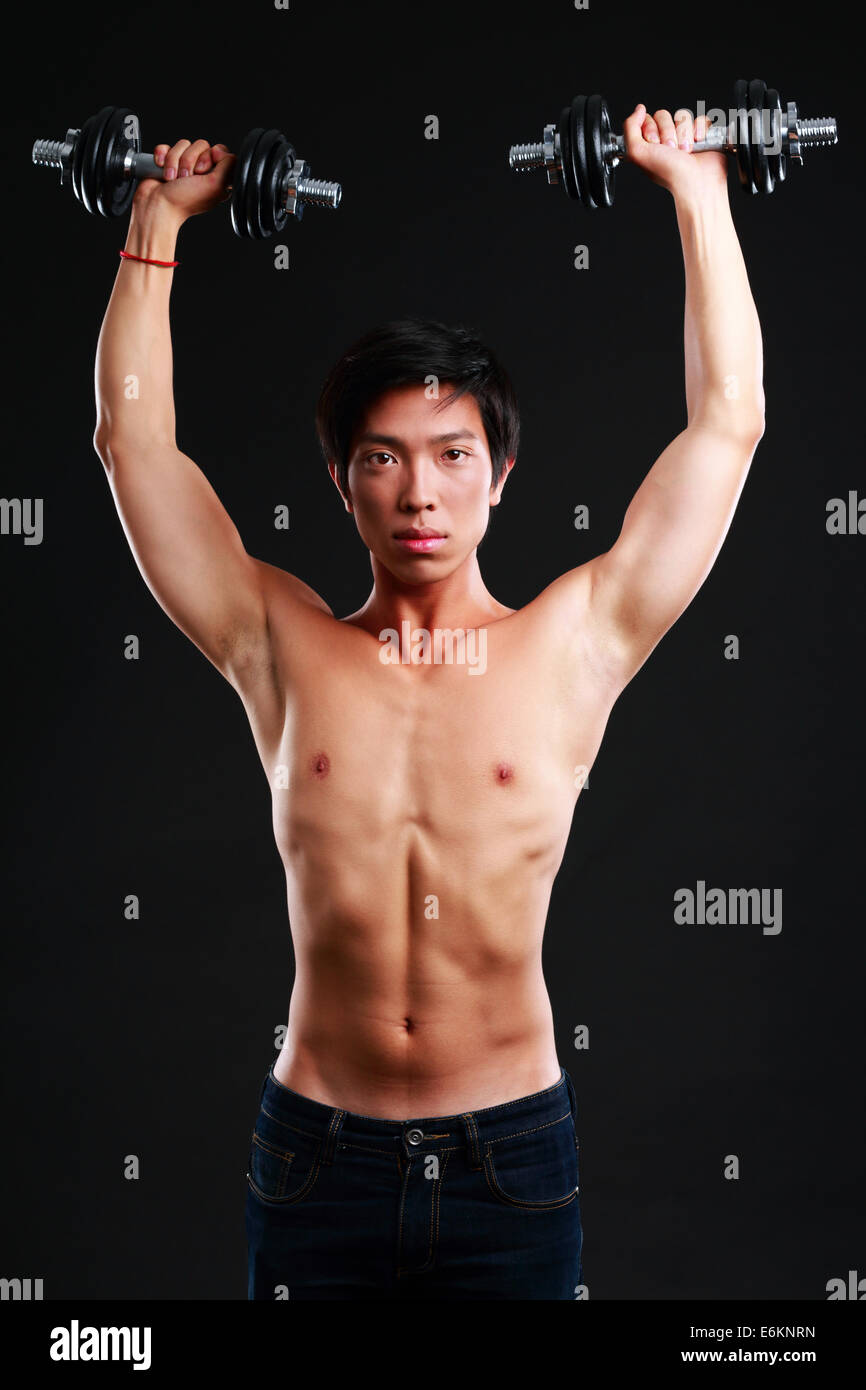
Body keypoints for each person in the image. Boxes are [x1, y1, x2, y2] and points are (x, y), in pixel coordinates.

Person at [92, 102, 765, 1299]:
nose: (419, 492)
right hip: (314, 1153)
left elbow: (727, 425)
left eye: (453, 454)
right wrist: (155, 224)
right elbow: (132, 447)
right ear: (343, 482)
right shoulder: (277, 642)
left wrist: (697, 190)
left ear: (500, 478)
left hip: (508, 1155)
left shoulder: (574, 643)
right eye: (382, 456)